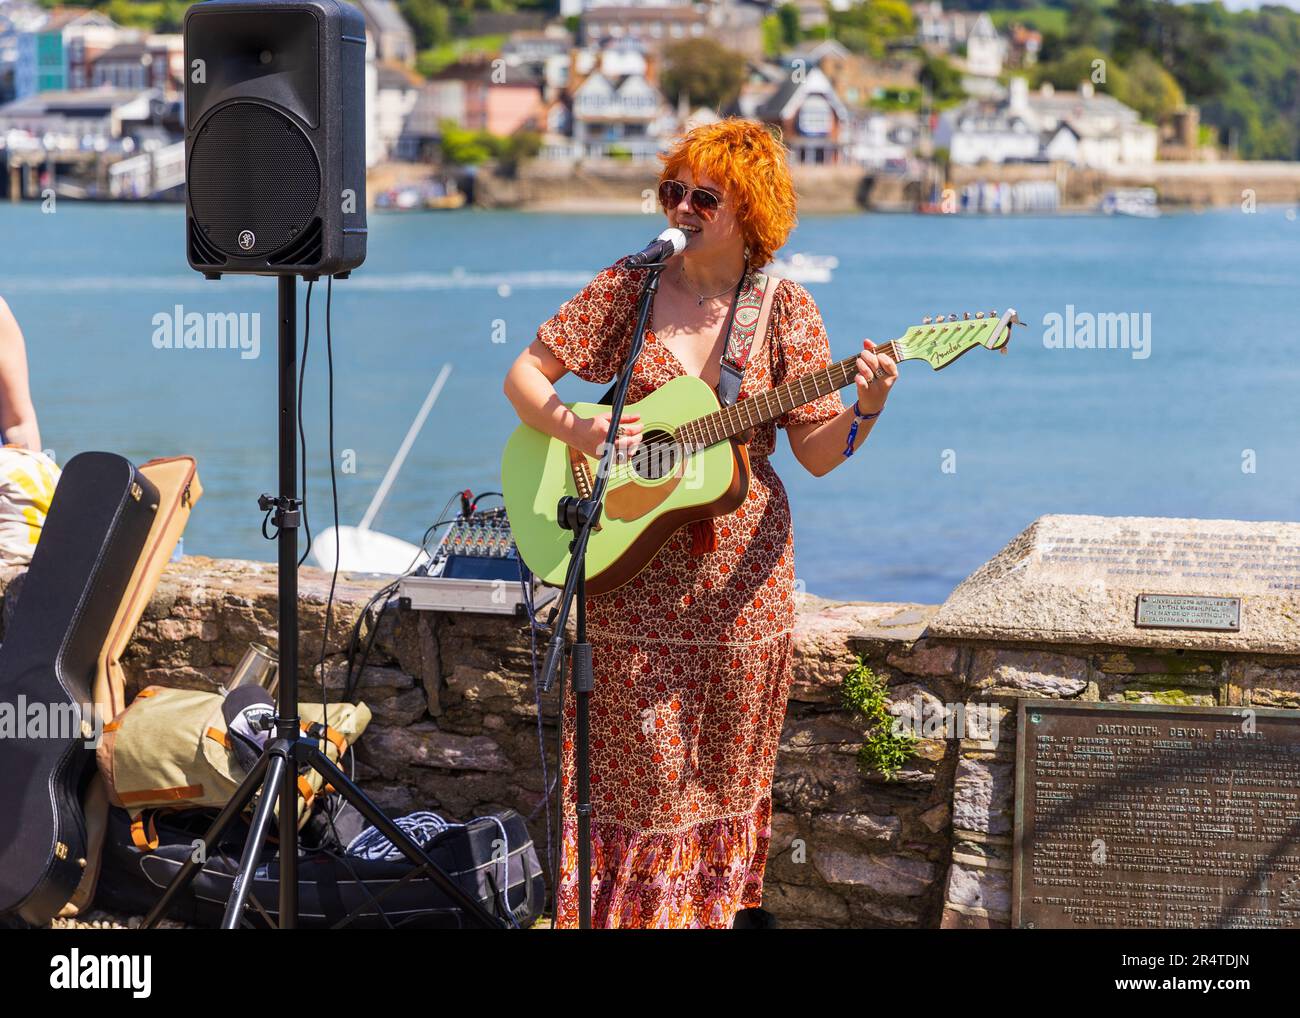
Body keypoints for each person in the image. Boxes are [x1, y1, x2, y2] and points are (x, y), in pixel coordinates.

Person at [502, 118, 899, 929]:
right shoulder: (632, 284)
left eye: (702, 196)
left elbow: (818, 454)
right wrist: (590, 434)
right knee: (633, 775)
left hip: (737, 594)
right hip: (628, 578)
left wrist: (869, 405)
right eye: (671, 190)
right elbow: (524, 378)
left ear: (749, 208)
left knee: (718, 774)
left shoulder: (784, 310)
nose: (680, 206)